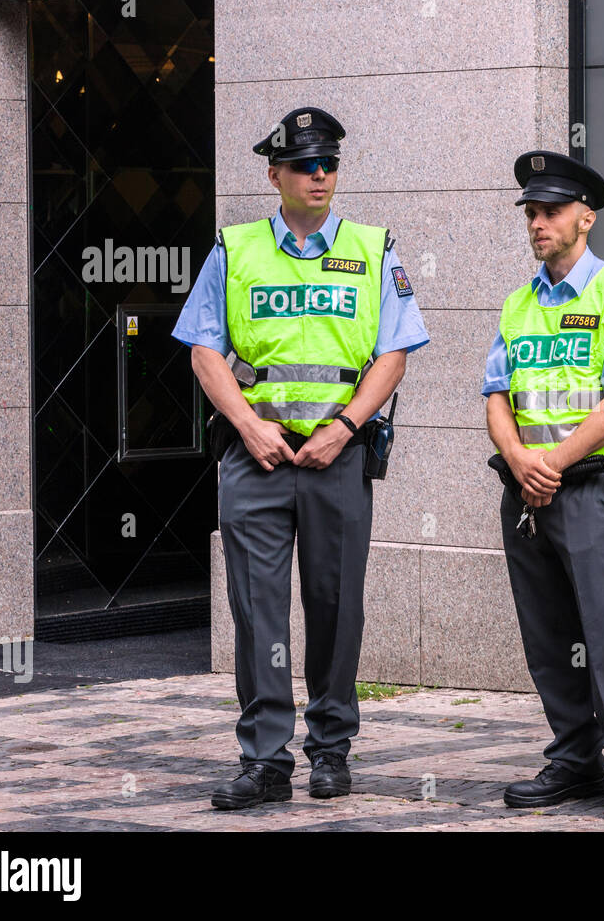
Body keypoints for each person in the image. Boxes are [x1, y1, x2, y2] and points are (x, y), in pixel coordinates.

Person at [171, 106, 429, 810]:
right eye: (307, 165)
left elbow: (395, 352)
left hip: (336, 456)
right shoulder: (236, 248)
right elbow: (203, 348)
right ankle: (264, 759)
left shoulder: (374, 248)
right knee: (257, 608)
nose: (321, 175)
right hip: (256, 456)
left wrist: (345, 427)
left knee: (335, 603)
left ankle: (331, 749)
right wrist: (248, 426)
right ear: (274, 174)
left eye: (330, 164)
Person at [482, 150, 604, 821]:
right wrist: (518, 458)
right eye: (531, 212)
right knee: (548, 631)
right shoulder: (518, 304)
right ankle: (575, 761)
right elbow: (496, 396)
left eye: (551, 211)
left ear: (585, 218)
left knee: (602, 625)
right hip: (526, 491)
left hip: (587, 488)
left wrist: (548, 463)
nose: (537, 222)